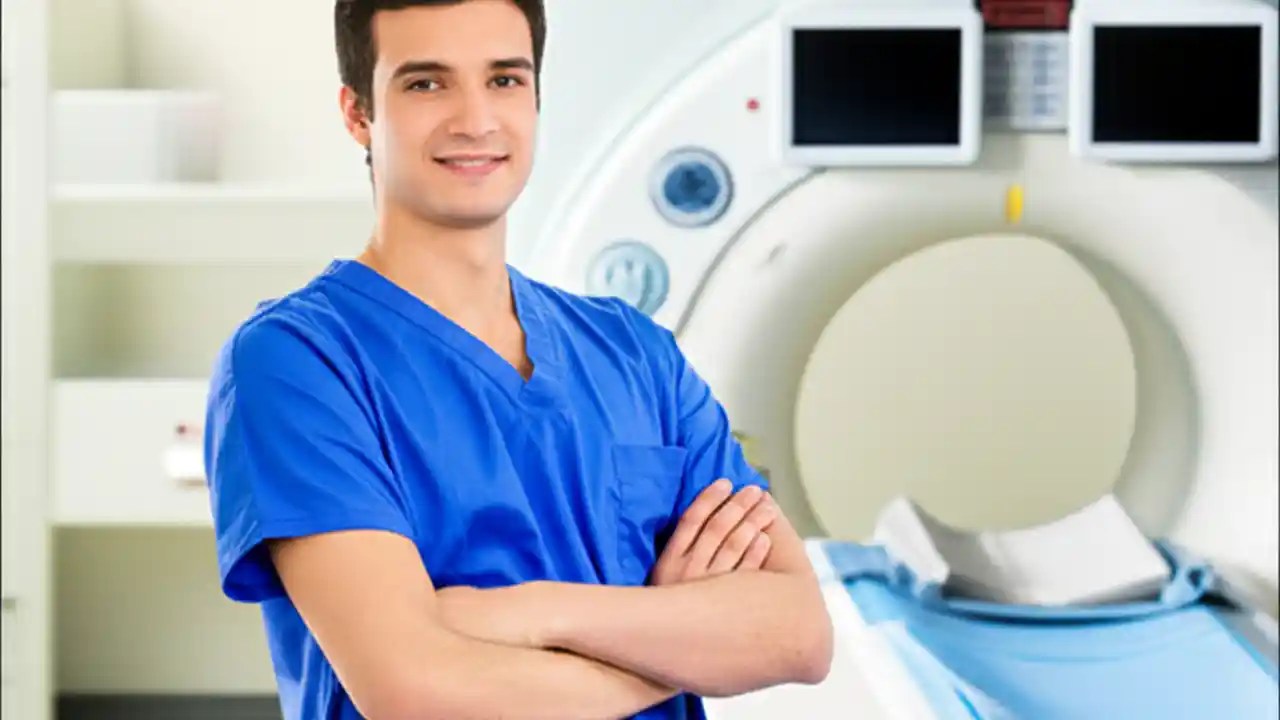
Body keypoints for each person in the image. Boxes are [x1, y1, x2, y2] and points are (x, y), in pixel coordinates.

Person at [203, 1, 834, 718]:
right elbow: (414, 692)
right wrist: (679, 644)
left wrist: (537, 612)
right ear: (358, 114)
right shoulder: (299, 361)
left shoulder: (635, 353)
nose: (475, 120)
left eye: (504, 80)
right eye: (426, 84)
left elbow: (799, 634)